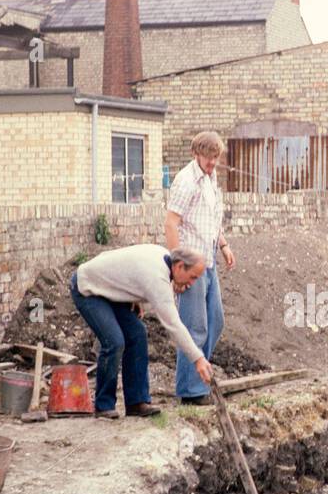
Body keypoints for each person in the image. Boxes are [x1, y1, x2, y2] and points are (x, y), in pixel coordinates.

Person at [70, 244, 213, 419]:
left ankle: (136, 402)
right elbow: (173, 324)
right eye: (192, 277)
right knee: (114, 341)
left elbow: (129, 270)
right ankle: (104, 405)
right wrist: (198, 359)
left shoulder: (163, 258)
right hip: (88, 287)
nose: (191, 284)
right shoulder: (157, 277)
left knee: (137, 334)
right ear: (180, 266)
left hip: (109, 291)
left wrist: (134, 296)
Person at [166, 131, 235, 406]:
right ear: (197, 154)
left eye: (216, 157)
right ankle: (191, 391)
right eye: (209, 157)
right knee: (194, 327)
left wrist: (224, 244)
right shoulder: (186, 181)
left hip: (208, 261)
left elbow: (210, 219)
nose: (212, 163)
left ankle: (199, 379)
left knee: (215, 321)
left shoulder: (210, 178)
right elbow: (171, 223)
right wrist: (177, 265)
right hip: (190, 264)